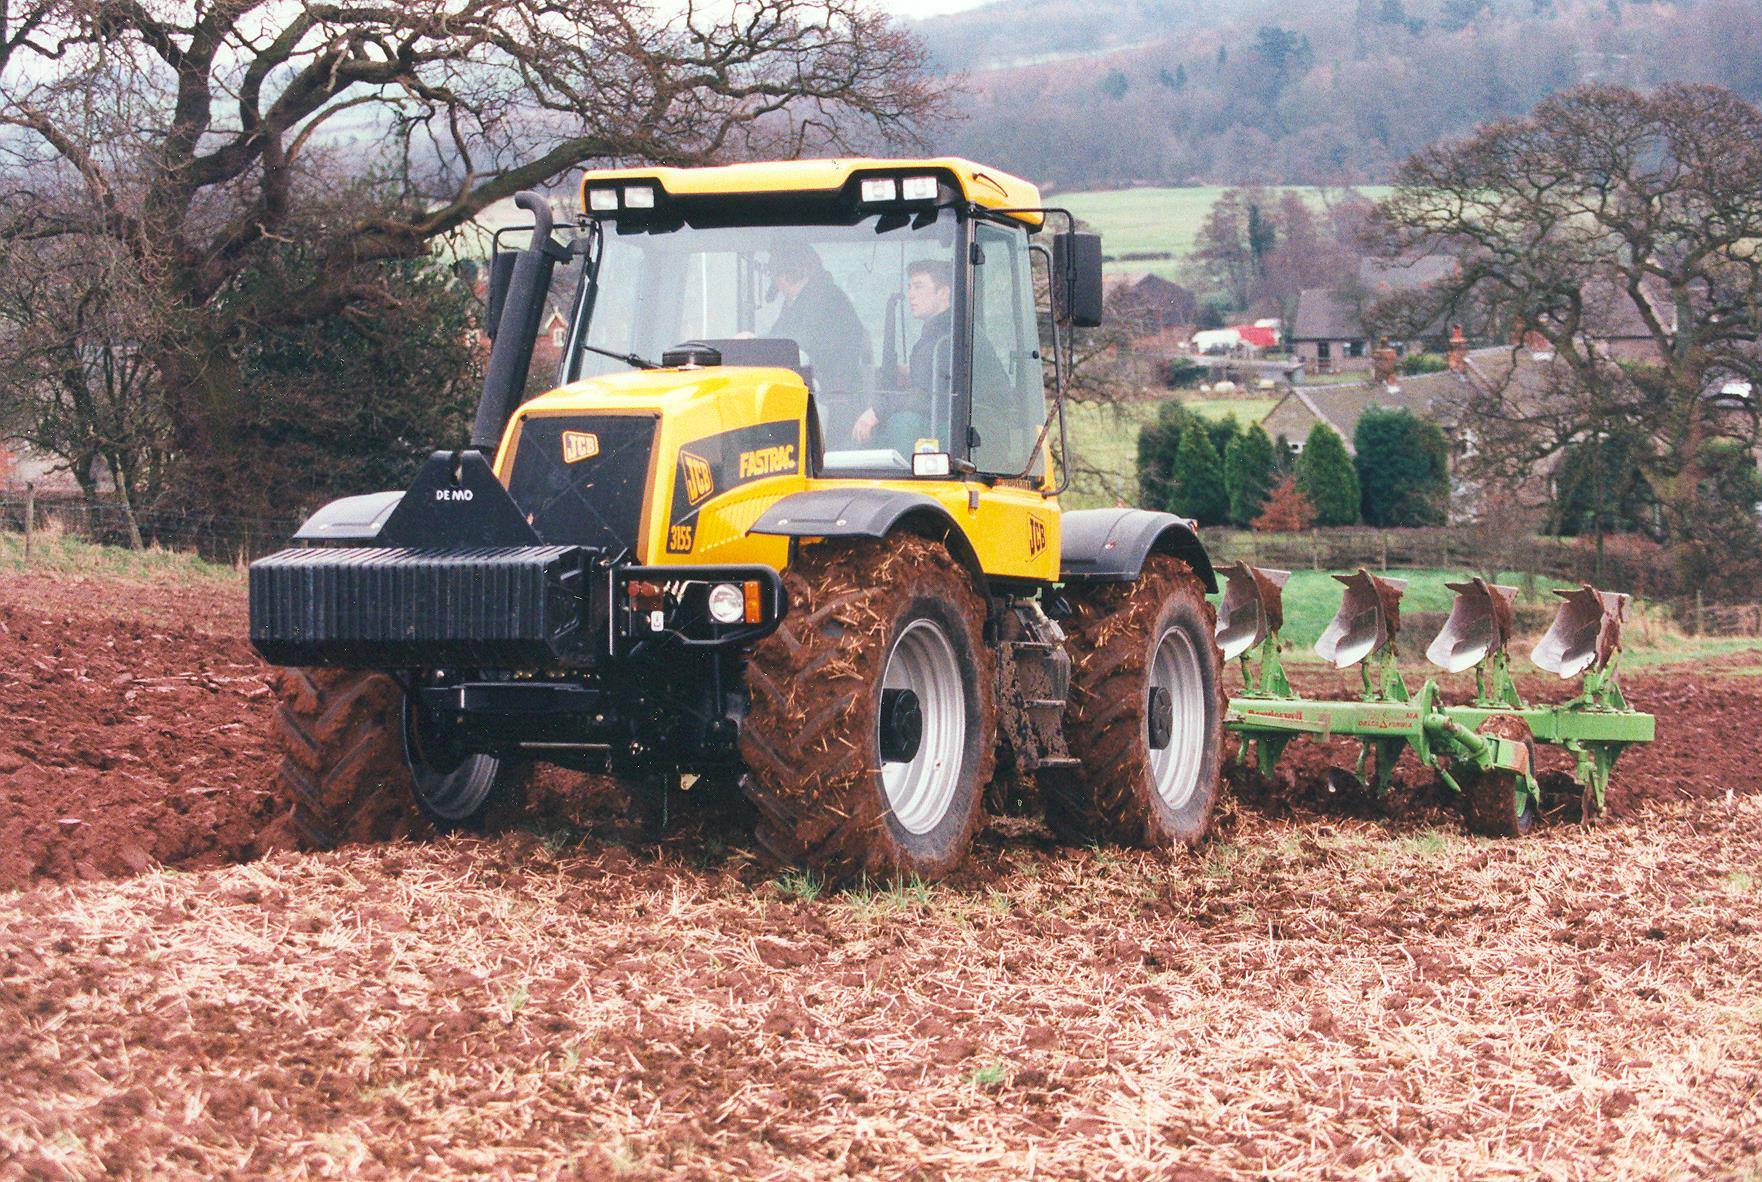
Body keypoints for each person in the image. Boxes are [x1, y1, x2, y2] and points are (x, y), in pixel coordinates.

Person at [765, 245, 867, 438]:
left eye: (775, 275)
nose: (777, 285)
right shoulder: (800, 302)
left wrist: (757, 343)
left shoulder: (823, 299)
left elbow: (796, 345)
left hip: (834, 404)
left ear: (787, 274)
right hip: (820, 400)